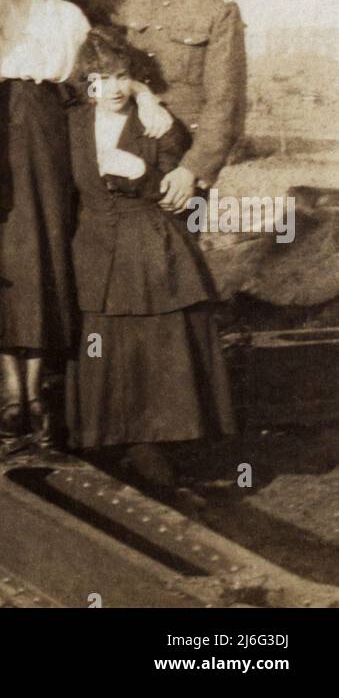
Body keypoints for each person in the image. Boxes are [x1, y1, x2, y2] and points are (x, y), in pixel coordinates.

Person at [0, 0, 174, 440]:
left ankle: (33, 394)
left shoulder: (69, 16)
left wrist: (145, 96)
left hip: (50, 129)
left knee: (43, 252)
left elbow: (105, 74)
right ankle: (10, 391)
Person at [65, 26, 236, 488]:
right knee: (104, 347)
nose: (114, 87)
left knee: (153, 347)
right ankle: (110, 443)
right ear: (87, 81)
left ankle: (156, 448)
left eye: (123, 76)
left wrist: (141, 172)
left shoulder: (157, 123)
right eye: (102, 78)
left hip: (149, 245)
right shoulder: (73, 124)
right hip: (95, 247)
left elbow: (176, 194)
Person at [121, 0, 247, 213]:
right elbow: (115, 63)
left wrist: (193, 169)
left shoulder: (219, 9)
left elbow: (225, 100)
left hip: (183, 154)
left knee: (179, 252)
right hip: (134, 142)